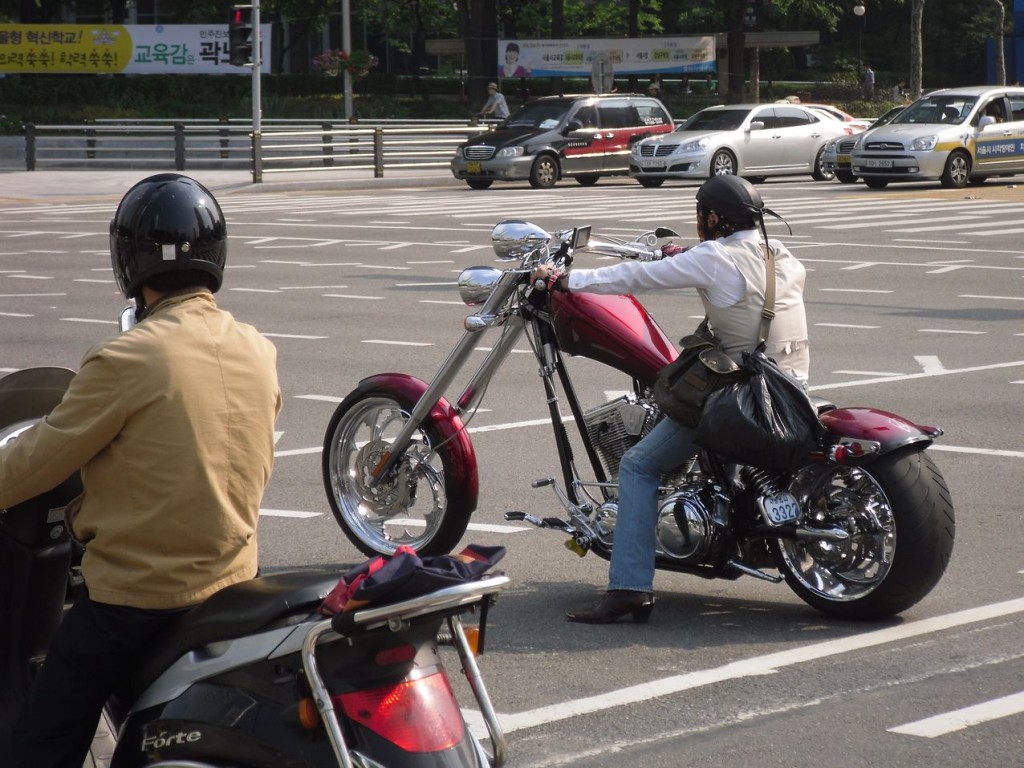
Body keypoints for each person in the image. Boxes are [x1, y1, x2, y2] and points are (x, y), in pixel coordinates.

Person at [0, 173, 282, 766]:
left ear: (128, 260)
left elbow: (35, 461)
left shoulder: (126, 358)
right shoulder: (257, 348)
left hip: (139, 601)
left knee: (41, 737)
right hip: (234, 583)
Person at [531, 176, 809, 624]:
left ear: (713, 218)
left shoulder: (714, 258)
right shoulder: (782, 256)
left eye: (700, 214)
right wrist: (684, 255)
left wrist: (564, 280)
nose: (698, 222)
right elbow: (740, 286)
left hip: (744, 398)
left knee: (639, 465)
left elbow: (635, 277)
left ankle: (629, 589)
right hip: (790, 389)